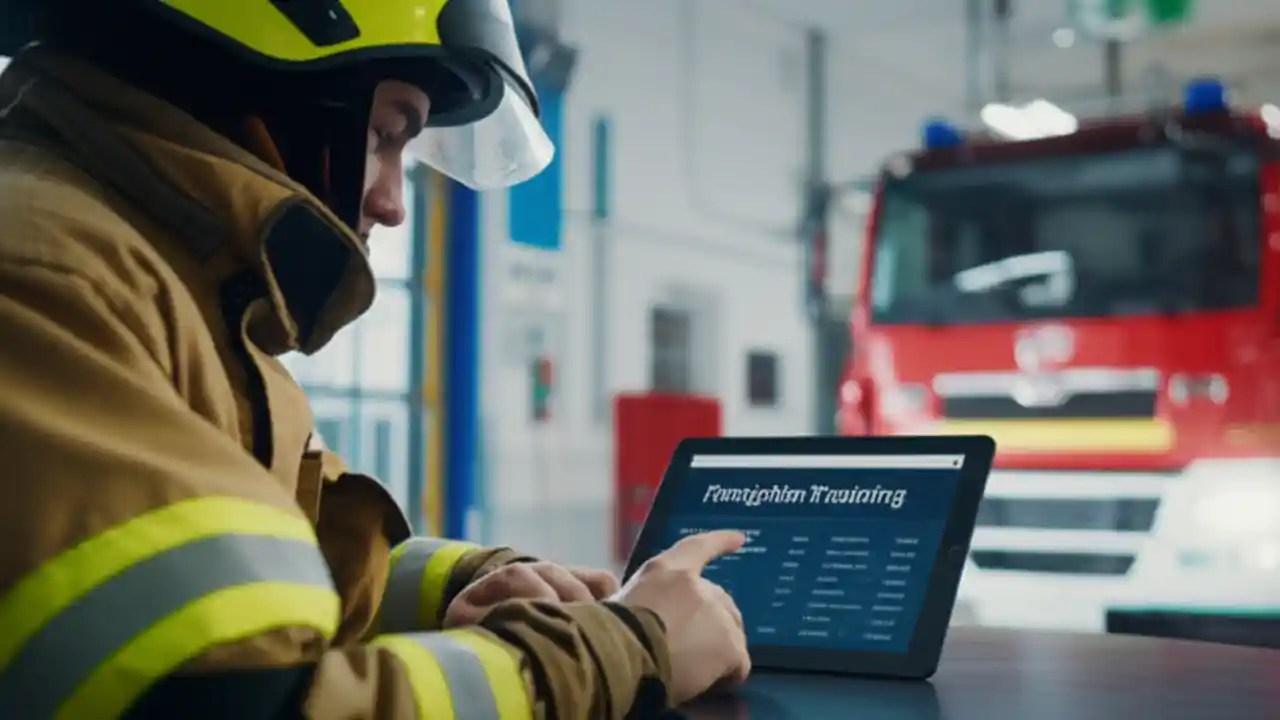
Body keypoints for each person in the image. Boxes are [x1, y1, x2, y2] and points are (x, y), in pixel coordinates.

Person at [0, 1, 750, 718]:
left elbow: (278, 558)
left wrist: (469, 583)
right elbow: (239, 699)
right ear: (261, 83)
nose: (392, 201)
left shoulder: (161, 289)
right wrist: (624, 650)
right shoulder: (48, 283)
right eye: (386, 137)